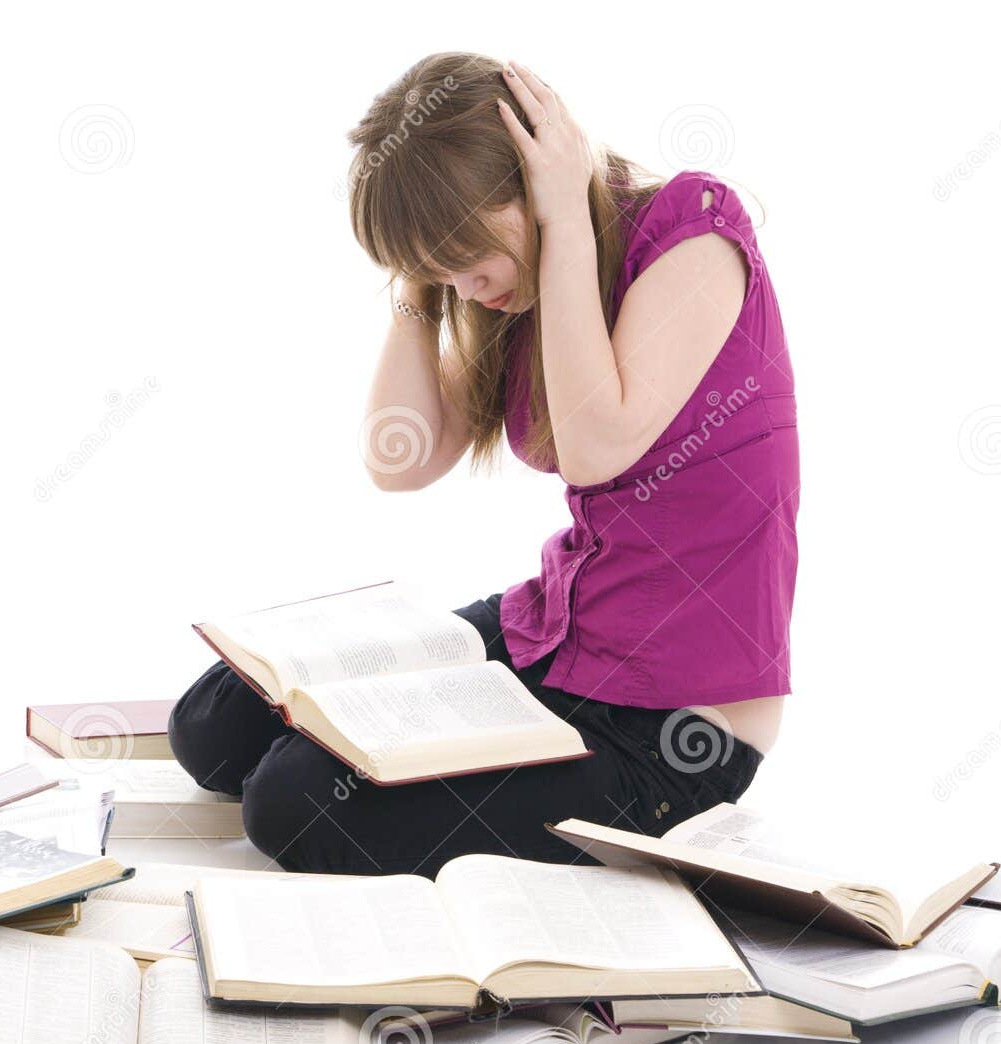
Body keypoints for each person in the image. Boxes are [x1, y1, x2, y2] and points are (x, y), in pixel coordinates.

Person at [169, 52, 798, 877]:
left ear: (535, 183)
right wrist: (421, 278)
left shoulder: (694, 233)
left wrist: (568, 222)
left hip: (669, 731)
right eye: (443, 268)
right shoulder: (513, 284)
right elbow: (402, 459)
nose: (466, 287)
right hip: (551, 636)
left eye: (465, 255)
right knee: (213, 725)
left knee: (293, 804)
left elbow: (598, 441)